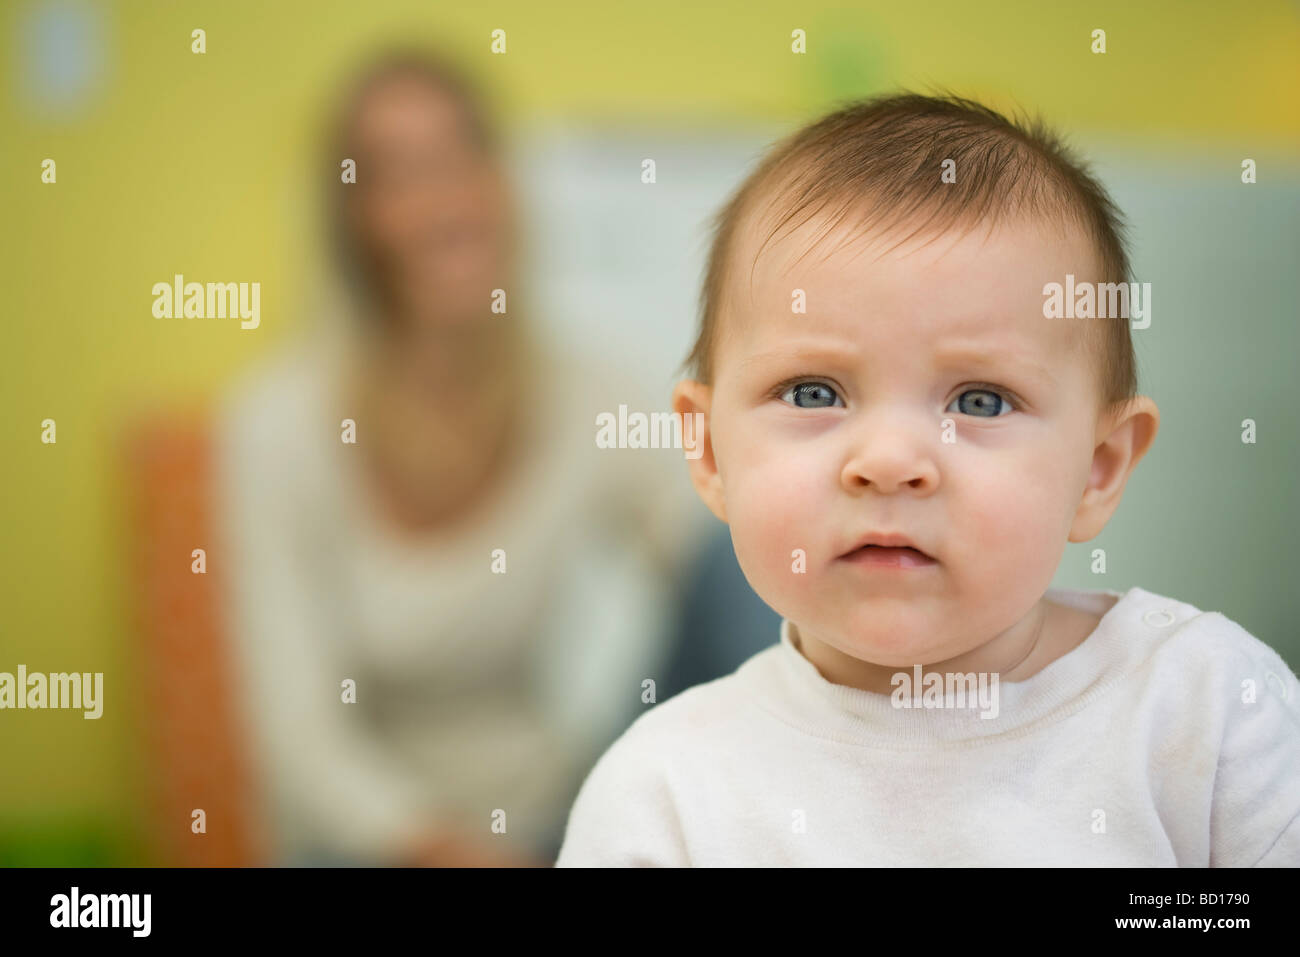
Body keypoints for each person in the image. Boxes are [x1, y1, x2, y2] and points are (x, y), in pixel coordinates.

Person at [556, 93, 1300, 866]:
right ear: (709, 450)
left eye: (979, 401)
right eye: (815, 392)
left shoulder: (1202, 711)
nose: (888, 461)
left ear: (1097, 469)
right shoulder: (664, 794)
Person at [210, 48, 703, 866]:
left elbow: (712, 557)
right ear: (355, 221)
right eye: (399, 174)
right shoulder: (277, 424)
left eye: (462, 154)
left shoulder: (590, 390)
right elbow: (298, 737)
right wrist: (441, 849)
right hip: (365, 844)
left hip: (547, 821)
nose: (445, 200)